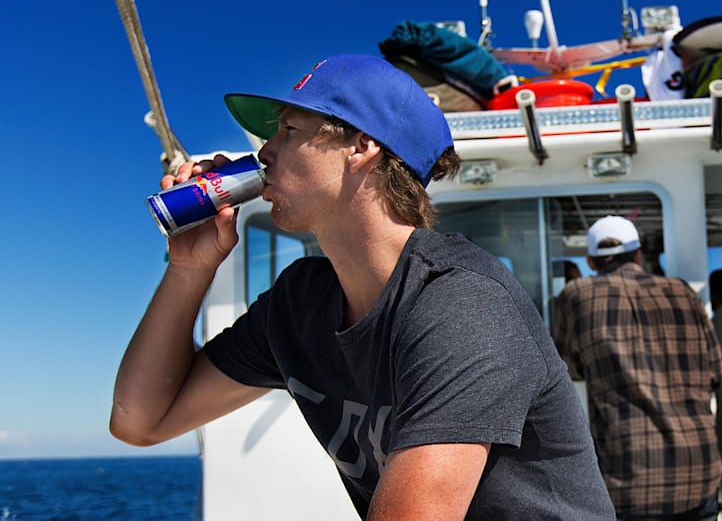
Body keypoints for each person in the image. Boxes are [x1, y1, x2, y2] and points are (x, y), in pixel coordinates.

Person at [110, 55, 615, 520]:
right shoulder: (300, 304)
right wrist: (190, 268)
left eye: (289, 129)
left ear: (362, 147)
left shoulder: (462, 302)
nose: (266, 151)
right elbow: (141, 420)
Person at [552, 216, 722, 521]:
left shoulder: (576, 296)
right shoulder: (684, 292)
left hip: (630, 478)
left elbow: (570, 369)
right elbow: (716, 373)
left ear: (592, 261)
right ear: (638, 255)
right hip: (699, 471)